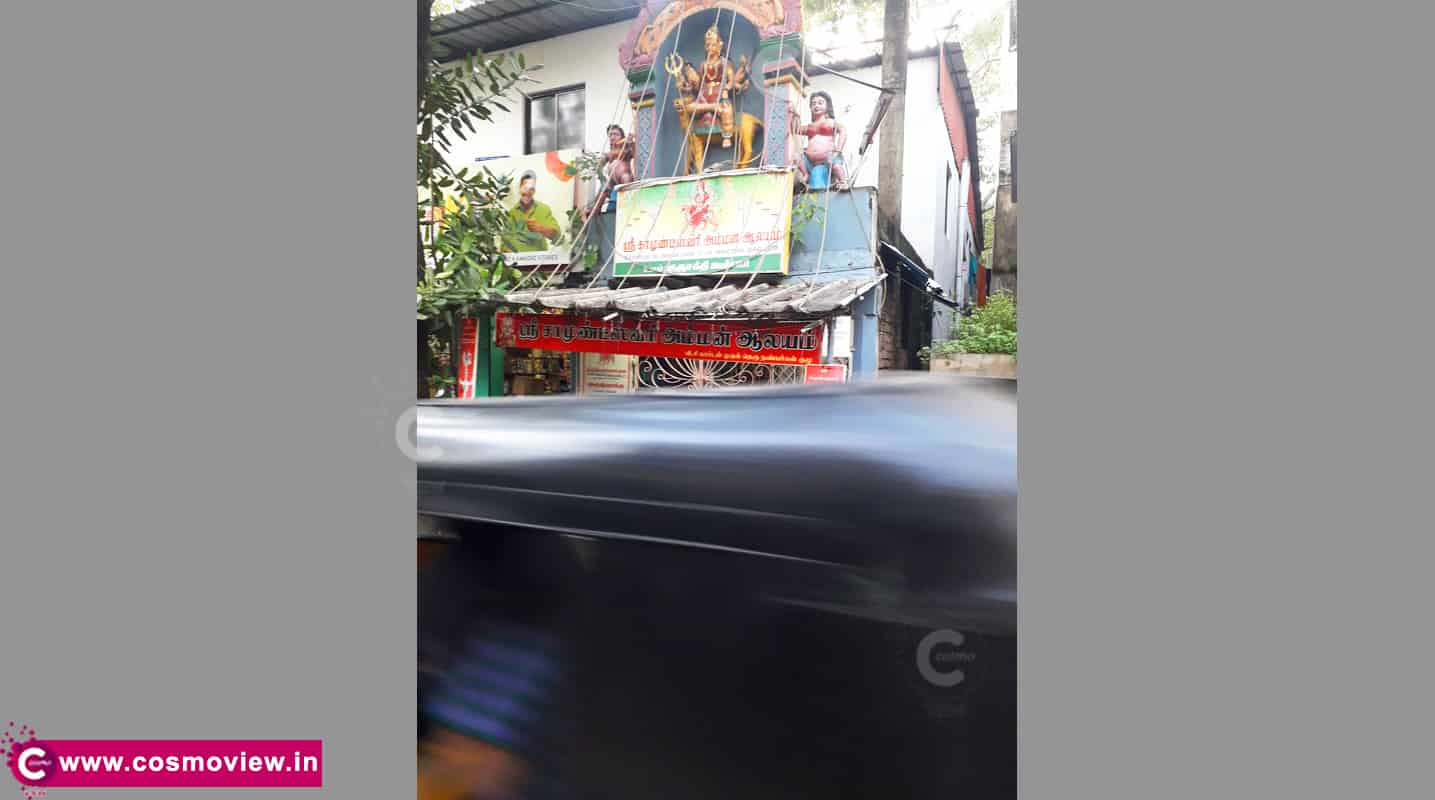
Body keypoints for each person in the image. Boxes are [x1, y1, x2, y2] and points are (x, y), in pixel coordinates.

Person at [795, 90, 848, 189]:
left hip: (828, 159)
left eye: (820, 103)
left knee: (835, 165)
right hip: (810, 162)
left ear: (827, 106)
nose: (816, 106)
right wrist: (793, 114)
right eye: (813, 104)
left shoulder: (831, 122)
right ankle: (806, 174)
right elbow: (795, 129)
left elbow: (843, 131)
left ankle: (843, 181)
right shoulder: (809, 127)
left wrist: (839, 150)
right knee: (796, 156)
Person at [504, 171, 561, 253]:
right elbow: (504, 243)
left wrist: (541, 229)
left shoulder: (543, 209)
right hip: (516, 263)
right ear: (520, 189)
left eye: (531, 189)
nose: (528, 192)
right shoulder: (511, 213)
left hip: (539, 262)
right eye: (525, 188)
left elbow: (557, 237)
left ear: (534, 191)